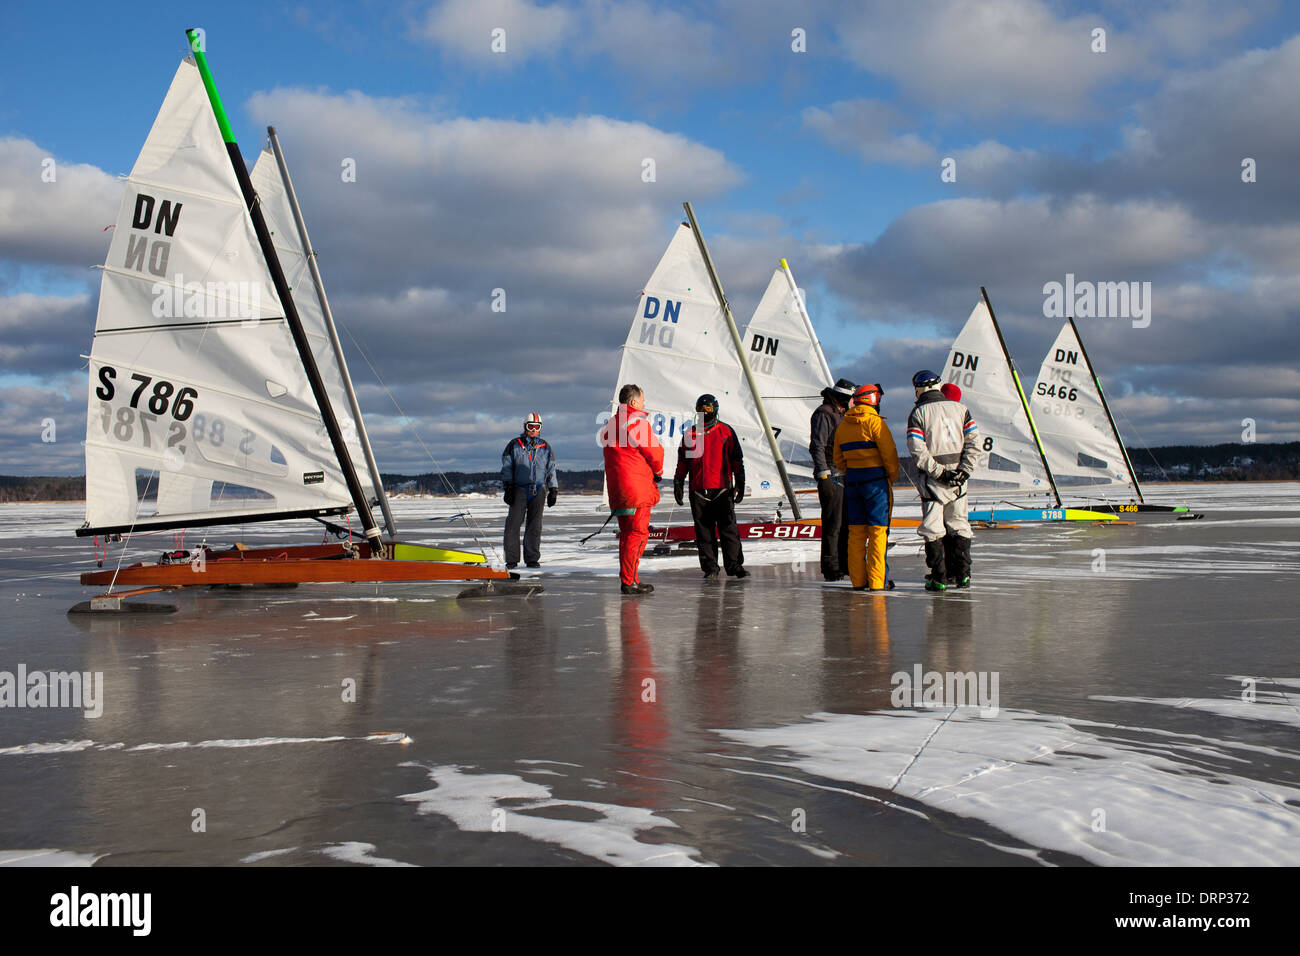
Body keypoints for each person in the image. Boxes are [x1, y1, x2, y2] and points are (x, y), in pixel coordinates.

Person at [906, 370, 981, 590]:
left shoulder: (918, 412)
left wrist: (938, 472)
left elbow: (917, 449)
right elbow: (974, 443)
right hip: (959, 480)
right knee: (959, 525)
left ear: (919, 388)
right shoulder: (961, 409)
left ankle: (939, 577)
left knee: (933, 528)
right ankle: (963, 575)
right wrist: (964, 471)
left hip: (933, 481)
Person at [674, 393, 749, 580]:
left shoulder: (726, 431)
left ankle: (734, 566)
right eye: (700, 409)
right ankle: (710, 568)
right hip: (698, 491)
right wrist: (678, 482)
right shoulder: (690, 434)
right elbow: (683, 462)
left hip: (722, 490)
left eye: (707, 409)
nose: (704, 412)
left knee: (729, 531)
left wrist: (740, 480)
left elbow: (736, 459)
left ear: (715, 410)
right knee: (704, 533)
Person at [833, 383, 900, 590]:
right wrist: (892, 475)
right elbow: (889, 454)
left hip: (853, 483)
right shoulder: (875, 423)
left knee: (856, 534)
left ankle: (858, 581)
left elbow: (838, 458)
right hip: (876, 484)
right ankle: (877, 582)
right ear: (873, 400)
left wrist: (852, 471)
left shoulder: (843, 425)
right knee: (878, 533)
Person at [600, 384, 664, 595]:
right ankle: (629, 581)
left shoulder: (610, 425)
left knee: (628, 535)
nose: (645, 404)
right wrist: (658, 470)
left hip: (618, 489)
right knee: (637, 534)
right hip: (636, 489)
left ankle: (630, 579)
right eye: (643, 400)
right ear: (634, 402)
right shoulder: (636, 422)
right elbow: (655, 453)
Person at [809, 377, 856, 581]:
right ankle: (830, 567)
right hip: (831, 474)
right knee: (833, 524)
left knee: (845, 522)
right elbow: (817, 446)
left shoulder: (841, 413)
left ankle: (845, 564)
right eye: (852, 398)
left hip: (845, 474)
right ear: (843, 398)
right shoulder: (824, 414)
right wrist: (823, 474)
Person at [501, 412, 558, 569]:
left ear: (540, 428)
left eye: (536, 427)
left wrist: (553, 488)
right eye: (530, 426)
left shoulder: (545, 447)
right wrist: (508, 487)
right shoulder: (515, 444)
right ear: (525, 427)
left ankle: (532, 558)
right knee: (513, 524)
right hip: (519, 489)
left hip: (539, 489)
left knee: (535, 525)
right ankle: (511, 559)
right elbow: (507, 466)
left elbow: (551, 468)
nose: (533, 429)